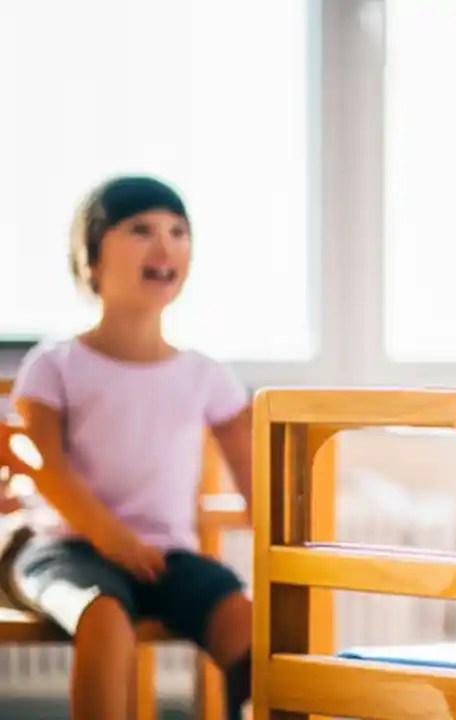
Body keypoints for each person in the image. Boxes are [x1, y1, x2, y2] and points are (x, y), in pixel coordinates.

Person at [9, 176, 254, 720]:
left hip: (167, 559)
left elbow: (254, 472)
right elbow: (41, 463)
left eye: (178, 231)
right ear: (90, 258)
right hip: (65, 550)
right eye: (140, 229)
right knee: (102, 616)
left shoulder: (205, 374)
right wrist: (112, 536)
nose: (165, 245)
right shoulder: (55, 364)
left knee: (243, 619)